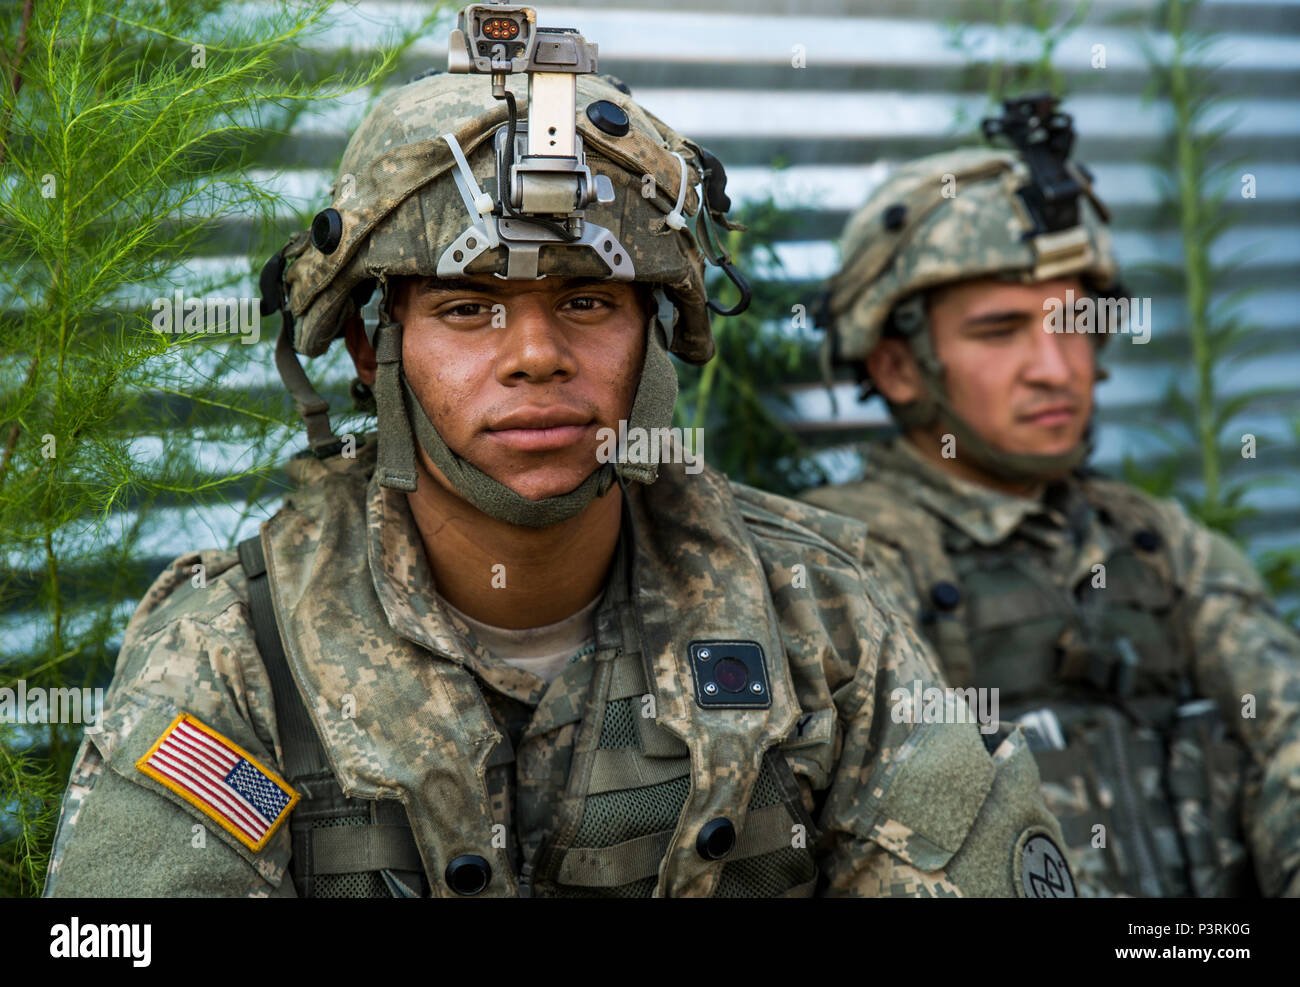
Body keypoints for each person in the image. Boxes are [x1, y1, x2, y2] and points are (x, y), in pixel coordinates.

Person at [41, 9, 1071, 898]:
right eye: (467, 305)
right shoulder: (233, 659)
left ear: (654, 333)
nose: (536, 356)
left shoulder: (819, 615)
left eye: (586, 301)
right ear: (371, 348)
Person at [802, 94, 1300, 897]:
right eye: (1001, 331)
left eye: (1074, 323)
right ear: (898, 366)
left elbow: (1289, 736)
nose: (1056, 367)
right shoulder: (848, 561)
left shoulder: (1156, 543)